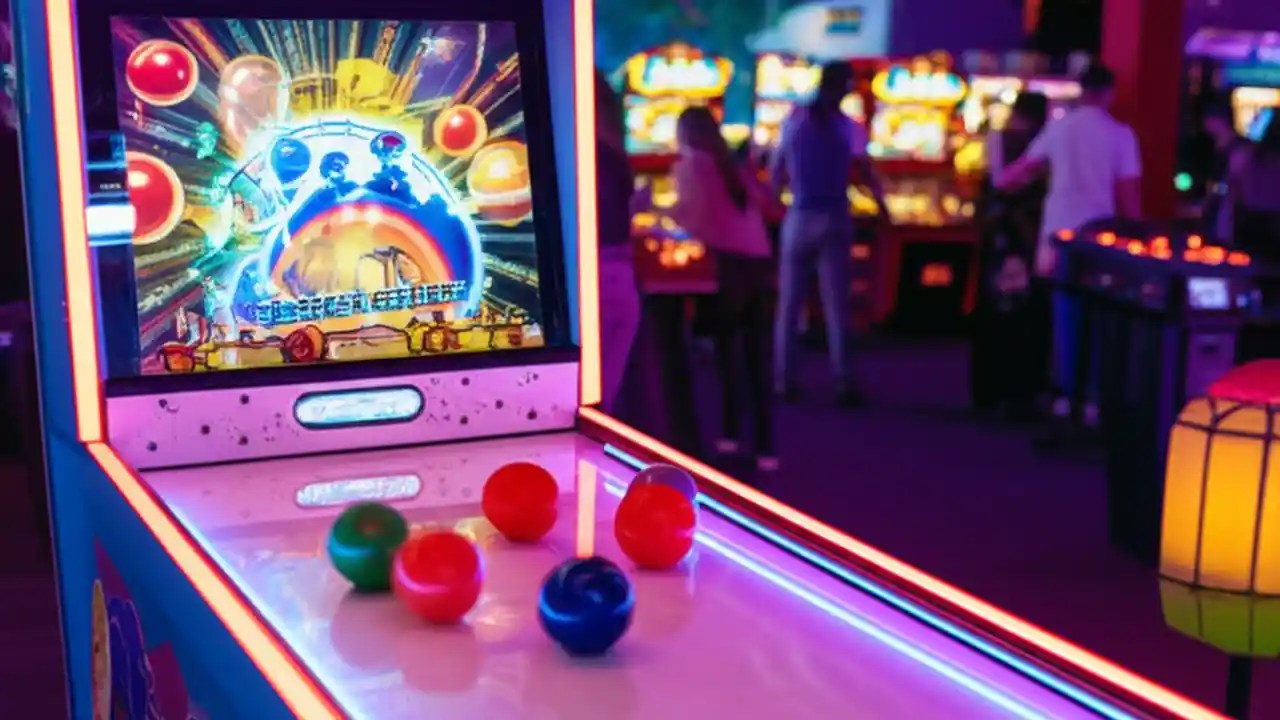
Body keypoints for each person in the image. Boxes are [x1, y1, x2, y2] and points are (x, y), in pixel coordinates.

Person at [996, 64, 1142, 424]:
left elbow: (1015, 176)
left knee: (1065, 315)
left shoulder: (1058, 128)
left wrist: (998, 173)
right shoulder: (1119, 134)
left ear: (1080, 90)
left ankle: (1064, 394)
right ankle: (1092, 399)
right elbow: (1129, 196)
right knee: (1098, 314)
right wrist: (1138, 235)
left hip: (1057, 235)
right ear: (1108, 92)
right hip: (1098, 235)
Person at [770, 62, 887, 406]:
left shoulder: (795, 119)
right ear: (846, 87)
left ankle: (783, 380)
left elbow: (777, 169)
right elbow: (864, 171)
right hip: (834, 214)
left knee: (789, 304)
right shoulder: (847, 126)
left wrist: (776, 204)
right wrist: (882, 207)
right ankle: (843, 380)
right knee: (837, 306)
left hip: (800, 213)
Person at [667, 106, 778, 471]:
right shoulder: (733, 164)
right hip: (760, 267)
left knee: (730, 355)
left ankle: (730, 437)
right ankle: (766, 448)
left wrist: (650, 208)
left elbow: (692, 219)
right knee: (757, 359)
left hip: (729, 268)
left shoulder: (690, 165)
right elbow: (766, 202)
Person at [971, 91, 1049, 418]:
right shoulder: (1041, 144)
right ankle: (1019, 394)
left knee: (993, 314)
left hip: (998, 234)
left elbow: (993, 184)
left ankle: (987, 392)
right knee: (1024, 317)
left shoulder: (998, 139)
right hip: (1026, 237)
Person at [593, 71, 641, 413]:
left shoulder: (589, 155)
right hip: (620, 276)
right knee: (604, 400)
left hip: (596, 276)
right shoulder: (616, 154)